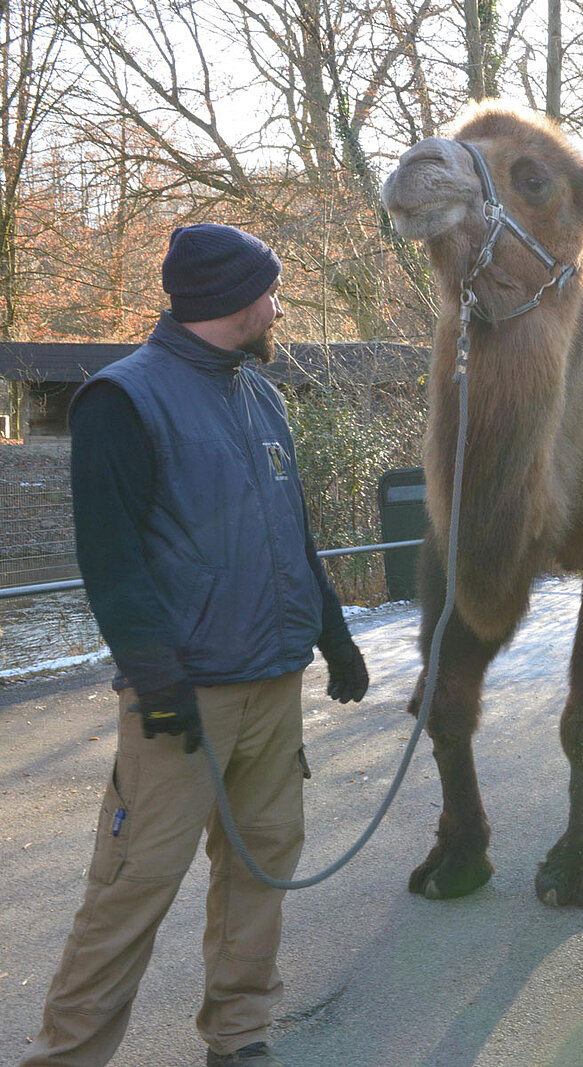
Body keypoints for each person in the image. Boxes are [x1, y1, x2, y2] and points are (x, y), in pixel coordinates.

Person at [21, 224, 370, 1067]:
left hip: (273, 685)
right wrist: (156, 677)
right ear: (238, 301)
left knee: (263, 867)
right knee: (133, 883)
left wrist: (334, 632)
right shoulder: (122, 398)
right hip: (183, 697)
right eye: (273, 292)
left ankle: (240, 1034)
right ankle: (65, 1056)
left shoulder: (263, 397)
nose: (280, 307)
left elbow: (294, 535)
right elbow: (109, 560)